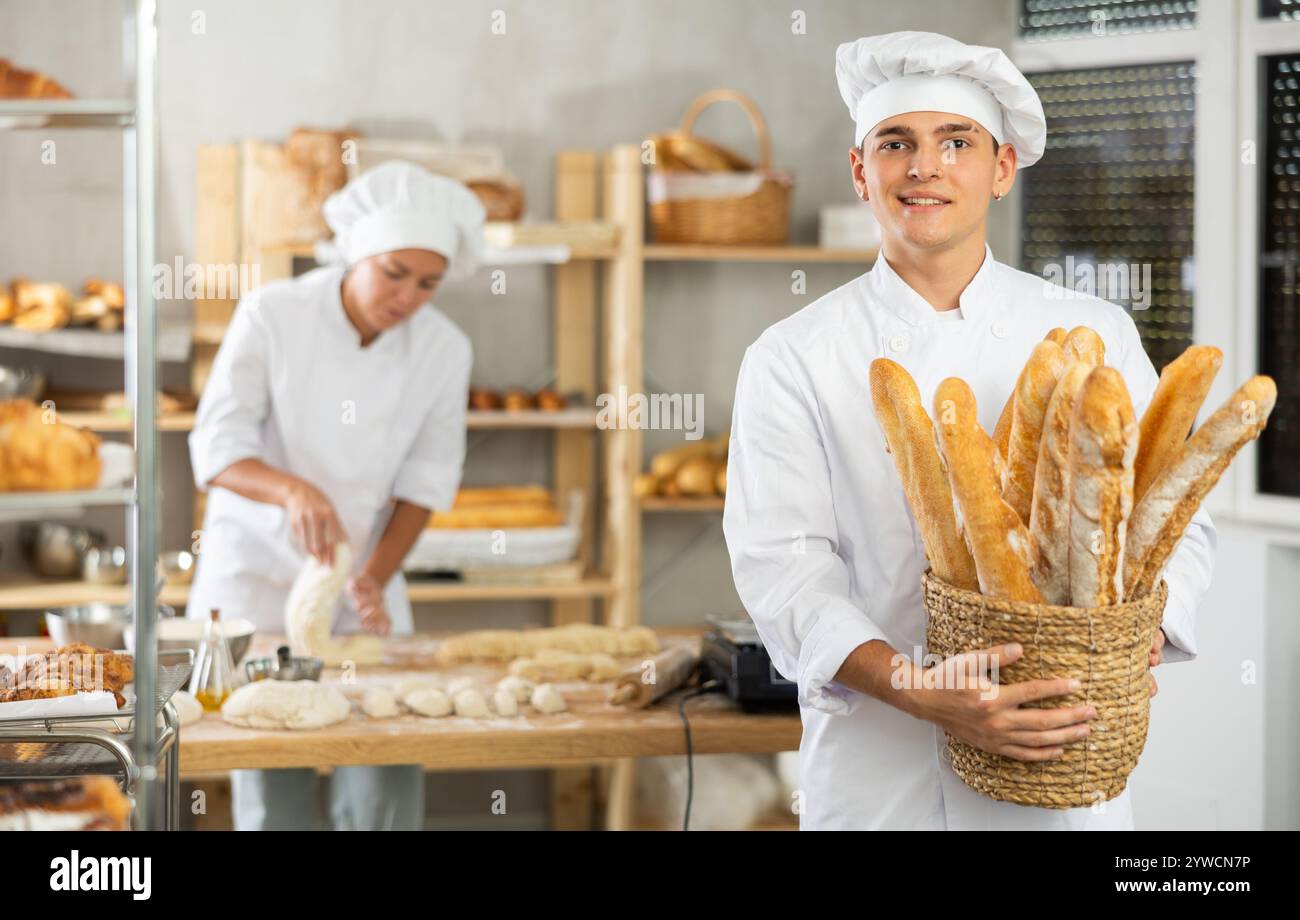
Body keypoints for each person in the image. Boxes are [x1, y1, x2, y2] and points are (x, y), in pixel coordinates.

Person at [723, 31, 1215, 830]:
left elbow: (1171, 517)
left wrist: (1139, 633)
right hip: (880, 781)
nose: (925, 167)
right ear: (861, 172)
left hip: (1062, 765)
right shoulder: (793, 356)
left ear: (1002, 169)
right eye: (896, 143)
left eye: (957, 142)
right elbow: (784, 568)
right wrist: (922, 690)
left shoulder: (1093, 330)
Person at [187, 161, 481, 830]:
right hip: (256, 574)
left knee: (384, 760)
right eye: (394, 273)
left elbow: (425, 482)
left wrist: (374, 577)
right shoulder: (273, 313)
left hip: (362, 579)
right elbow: (218, 446)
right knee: (273, 769)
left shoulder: (443, 349)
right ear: (356, 253)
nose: (408, 296)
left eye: (429, 282)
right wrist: (293, 490)